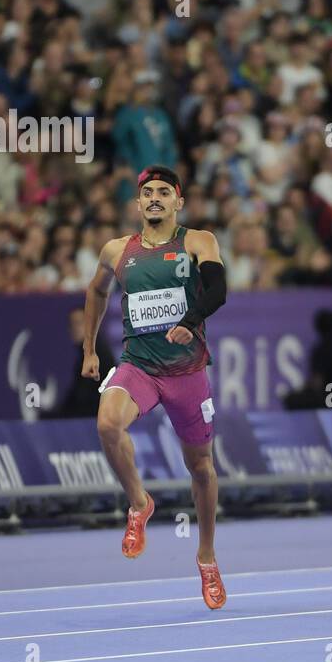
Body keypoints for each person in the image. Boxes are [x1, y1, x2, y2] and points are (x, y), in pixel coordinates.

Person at [80, 165, 229, 609]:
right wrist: (89, 349)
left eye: (165, 191)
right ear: (138, 203)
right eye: (148, 192)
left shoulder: (198, 240)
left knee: (200, 466)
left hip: (187, 374)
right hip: (139, 367)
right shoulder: (116, 251)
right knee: (108, 423)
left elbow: (218, 289)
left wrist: (190, 321)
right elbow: (96, 292)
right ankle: (139, 504)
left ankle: (206, 557)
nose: (155, 198)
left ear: (179, 202)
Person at [54, 307, 116, 418]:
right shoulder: (85, 353)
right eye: (71, 324)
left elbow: (85, 399)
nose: (74, 328)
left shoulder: (97, 353)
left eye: (78, 323)